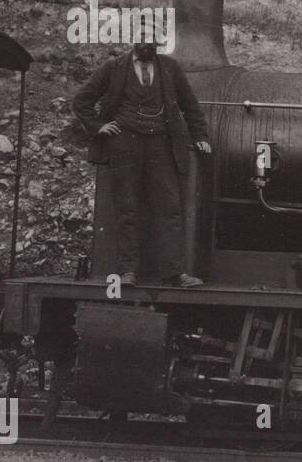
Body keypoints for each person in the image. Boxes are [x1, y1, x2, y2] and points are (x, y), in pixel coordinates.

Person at [73, 41, 211, 287]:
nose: (148, 42)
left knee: (170, 209)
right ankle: (128, 272)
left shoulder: (169, 67)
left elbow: (190, 105)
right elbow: (82, 100)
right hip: (124, 144)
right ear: (134, 39)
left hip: (160, 145)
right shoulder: (114, 67)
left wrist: (200, 136)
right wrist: (98, 126)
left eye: (153, 38)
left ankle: (175, 273)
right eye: (144, 36)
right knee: (127, 208)